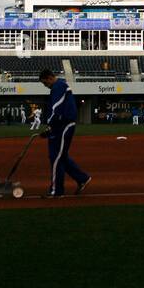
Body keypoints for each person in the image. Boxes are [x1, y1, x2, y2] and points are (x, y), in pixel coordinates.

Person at [38, 69, 90, 197]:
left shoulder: (59, 86)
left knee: (56, 157)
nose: (46, 86)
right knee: (60, 156)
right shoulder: (57, 87)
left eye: (45, 83)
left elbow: (57, 108)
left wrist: (49, 125)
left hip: (64, 125)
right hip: (60, 125)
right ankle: (82, 178)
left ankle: (56, 190)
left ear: (50, 77)